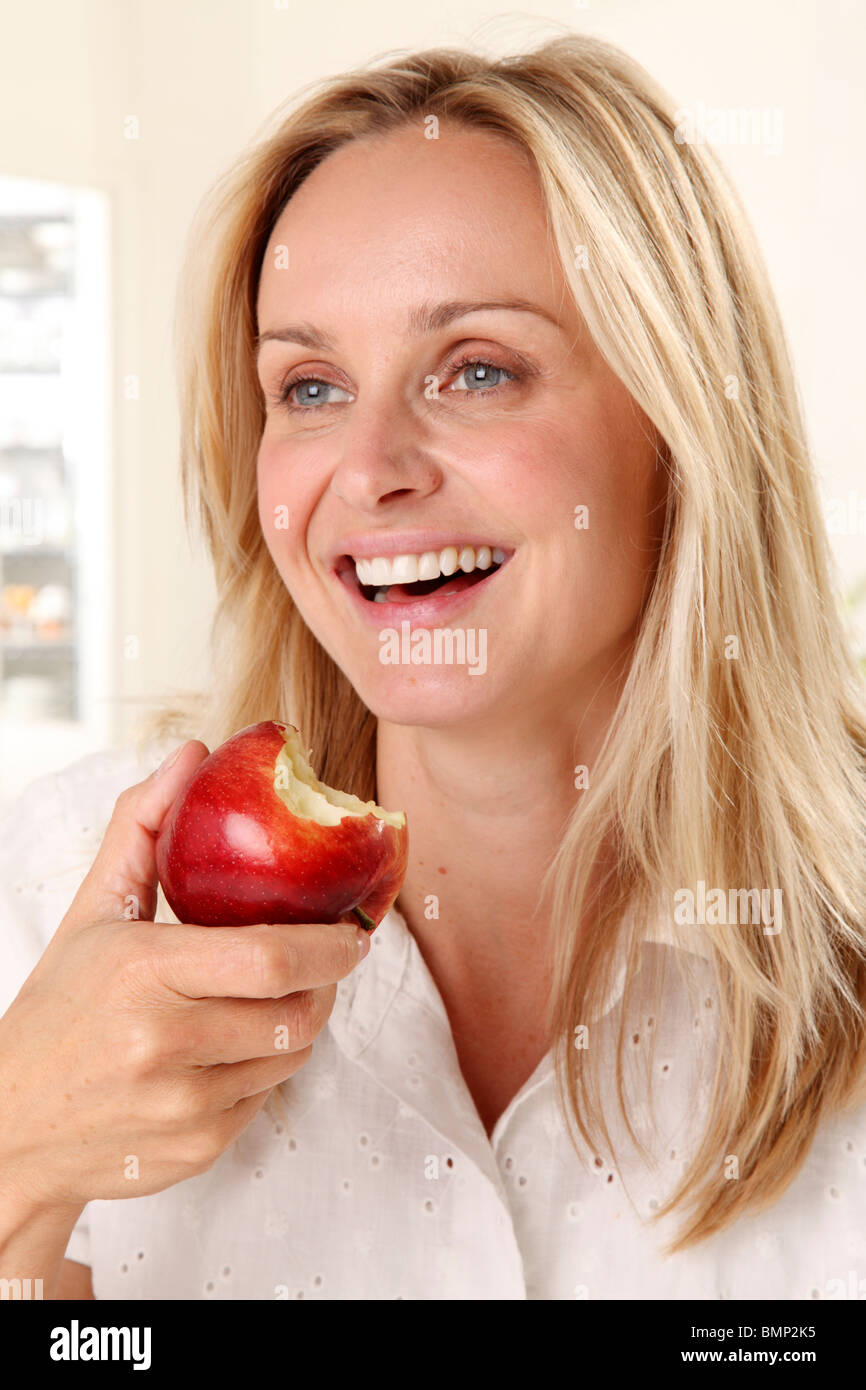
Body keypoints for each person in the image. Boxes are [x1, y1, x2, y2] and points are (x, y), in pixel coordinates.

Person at [1, 33, 865, 1302]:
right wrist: (16, 1164)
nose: (366, 469)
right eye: (307, 387)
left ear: (681, 428)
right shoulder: (48, 896)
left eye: (475, 370)